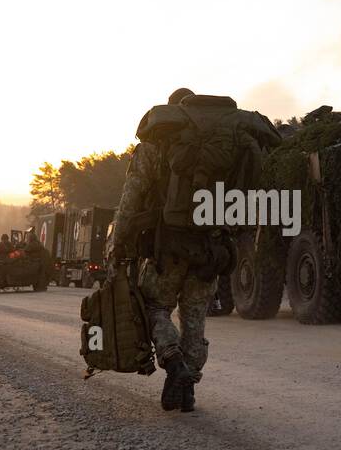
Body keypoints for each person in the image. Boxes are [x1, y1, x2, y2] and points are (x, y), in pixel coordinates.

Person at [109, 88, 278, 412]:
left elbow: (131, 196)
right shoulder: (229, 140)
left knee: (155, 307)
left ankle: (174, 363)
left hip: (167, 246)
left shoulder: (158, 142)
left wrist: (118, 242)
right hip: (212, 246)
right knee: (195, 317)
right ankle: (188, 389)